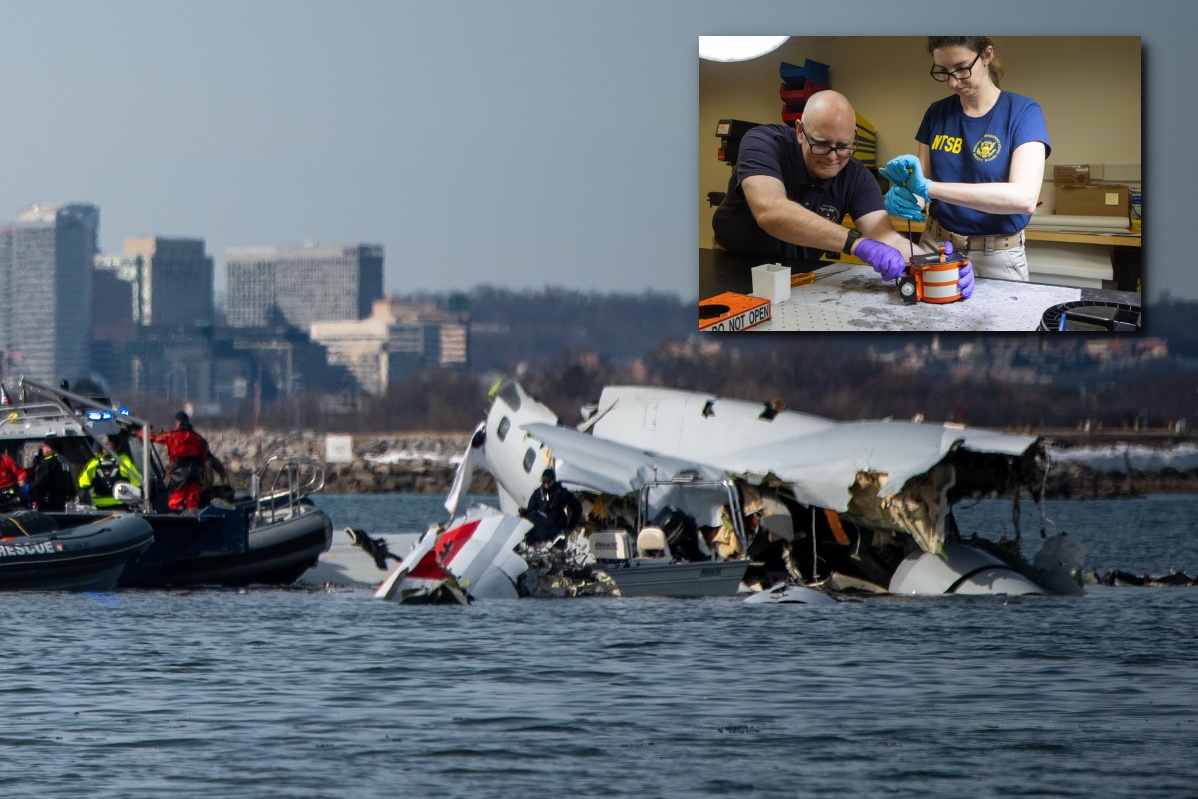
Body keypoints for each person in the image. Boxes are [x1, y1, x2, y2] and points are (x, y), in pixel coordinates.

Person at [713, 89, 972, 298]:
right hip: (733, 266)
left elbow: (887, 239)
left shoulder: (856, 175)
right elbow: (771, 211)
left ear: (853, 137)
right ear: (800, 131)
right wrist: (856, 243)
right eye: (822, 145)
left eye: (844, 146)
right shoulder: (762, 143)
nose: (833, 157)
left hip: (799, 274)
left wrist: (941, 265)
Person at [883, 36, 1050, 282]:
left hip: (996, 256)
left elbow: (1024, 198)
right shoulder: (936, 113)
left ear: (987, 55)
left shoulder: (1023, 112)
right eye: (943, 71)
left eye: (961, 69)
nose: (952, 81)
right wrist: (909, 198)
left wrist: (929, 188)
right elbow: (923, 183)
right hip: (935, 246)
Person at [144, 411, 210, 511]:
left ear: (177, 422)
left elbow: (154, 437)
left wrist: (140, 432)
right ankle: (192, 519)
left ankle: (174, 519)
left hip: (179, 473)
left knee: (176, 500)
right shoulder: (199, 439)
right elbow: (203, 460)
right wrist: (202, 475)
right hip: (195, 472)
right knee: (193, 500)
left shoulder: (172, 436)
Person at [518, 468, 581, 545]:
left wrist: (570, 528)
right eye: (544, 482)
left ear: (553, 481)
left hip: (556, 524)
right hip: (541, 522)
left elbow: (577, 508)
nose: (546, 485)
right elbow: (531, 510)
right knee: (530, 527)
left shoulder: (562, 493)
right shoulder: (538, 493)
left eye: (549, 482)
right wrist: (524, 513)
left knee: (547, 533)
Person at [78, 436, 143, 509]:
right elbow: (138, 482)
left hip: (100, 507)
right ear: (118, 447)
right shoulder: (124, 462)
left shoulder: (93, 464)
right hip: (120, 506)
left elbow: (83, 484)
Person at [28, 437, 76, 511]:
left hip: (48, 502)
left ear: (50, 447)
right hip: (61, 502)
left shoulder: (48, 462)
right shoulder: (63, 461)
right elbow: (69, 480)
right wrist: (73, 493)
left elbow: (41, 482)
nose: (42, 448)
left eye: (44, 446)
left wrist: (28, 488)